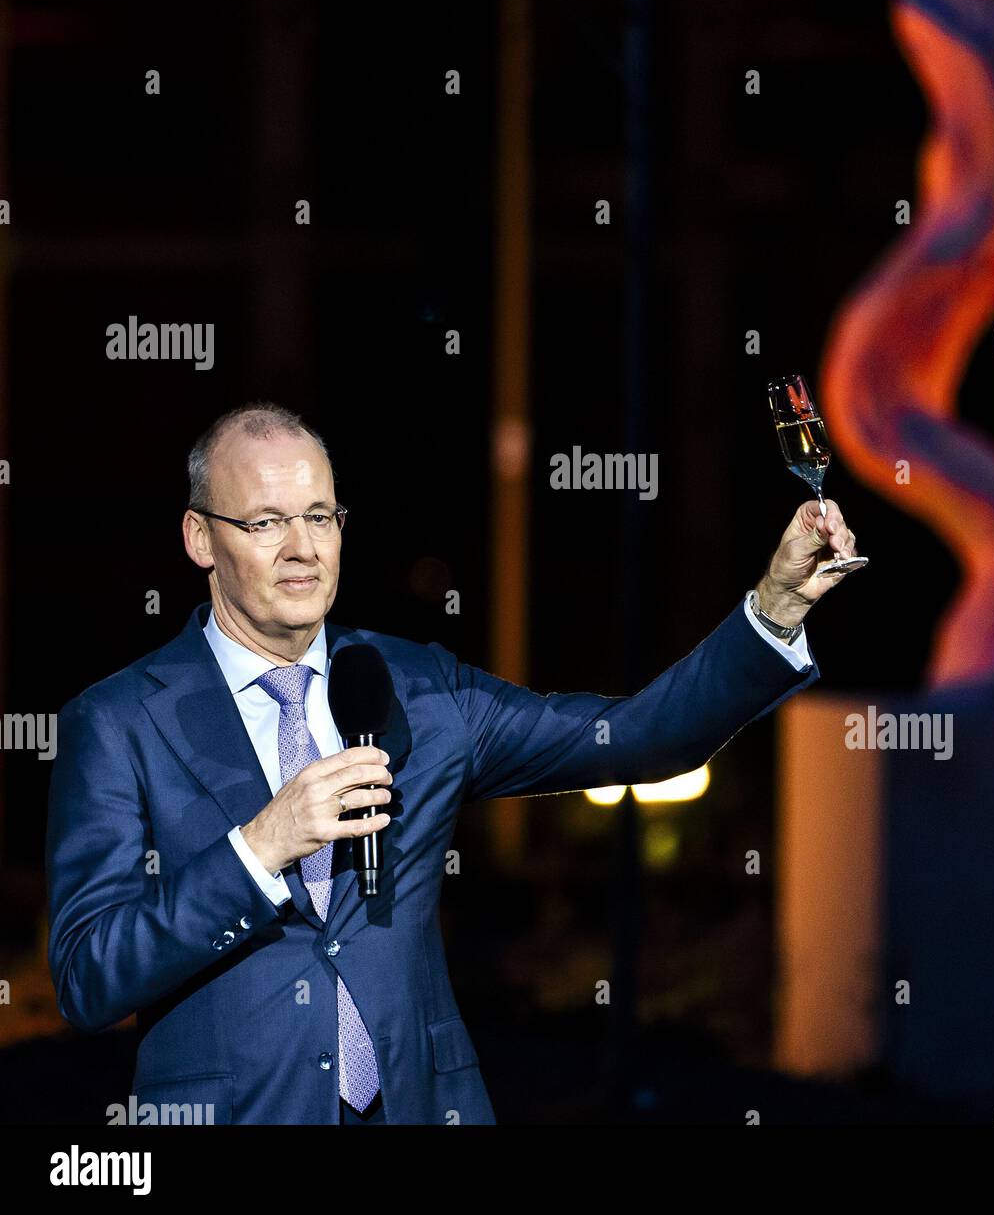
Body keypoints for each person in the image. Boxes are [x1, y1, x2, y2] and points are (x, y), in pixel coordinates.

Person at [45, 402, 860, 1125]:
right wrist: (258, 849)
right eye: (265, 523)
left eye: (321, 516)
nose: (302, 549)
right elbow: (89, 979)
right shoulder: (118, 721)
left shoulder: (418, 688)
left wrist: (776, 607)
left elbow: (638, 738)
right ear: (200, 538)